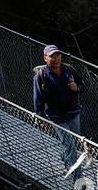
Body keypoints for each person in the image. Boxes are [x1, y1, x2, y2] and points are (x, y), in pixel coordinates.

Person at [32, 45, 86, 176]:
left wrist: (77, 88)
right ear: (45, 58)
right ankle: (77, 178)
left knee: (73, 144)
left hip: (73, 113)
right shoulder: (41, 76)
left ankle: (65, 155)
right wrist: (41, 119)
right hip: (57, 117)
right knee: (70, 146)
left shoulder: (69, 69)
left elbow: (83, 86)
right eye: (52, 56)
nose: (56, 59)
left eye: (58, 55)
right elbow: (38, 99)